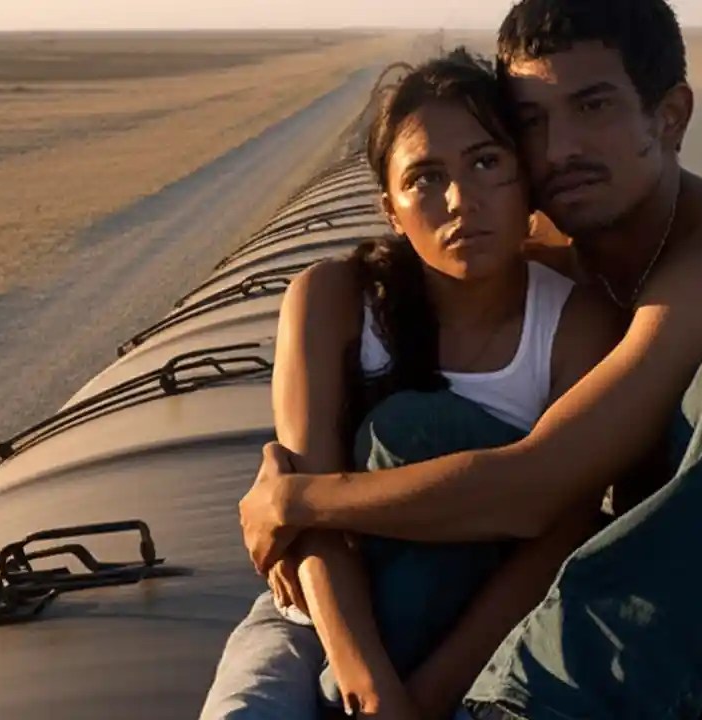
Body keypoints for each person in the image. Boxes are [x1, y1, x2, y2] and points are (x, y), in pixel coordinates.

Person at [237, 1, 702, 718]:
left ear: (670, 116)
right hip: (647, 596)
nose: (558, 150)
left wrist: (295, 498)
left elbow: (537, 490)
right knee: (414, 432)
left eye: (593, 106)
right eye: (533, 119)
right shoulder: (551, 240)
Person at [201, 49, 626, 719]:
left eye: (486, 163)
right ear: (391, 210)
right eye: (426, 178)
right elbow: (308, 530)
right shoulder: (333, 299)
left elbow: (553, 537)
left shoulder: (576, 324)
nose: (460, 201)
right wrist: (369, 690)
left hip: (490, 630)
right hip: (327, 616)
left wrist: (425, 697)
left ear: (525, 182)